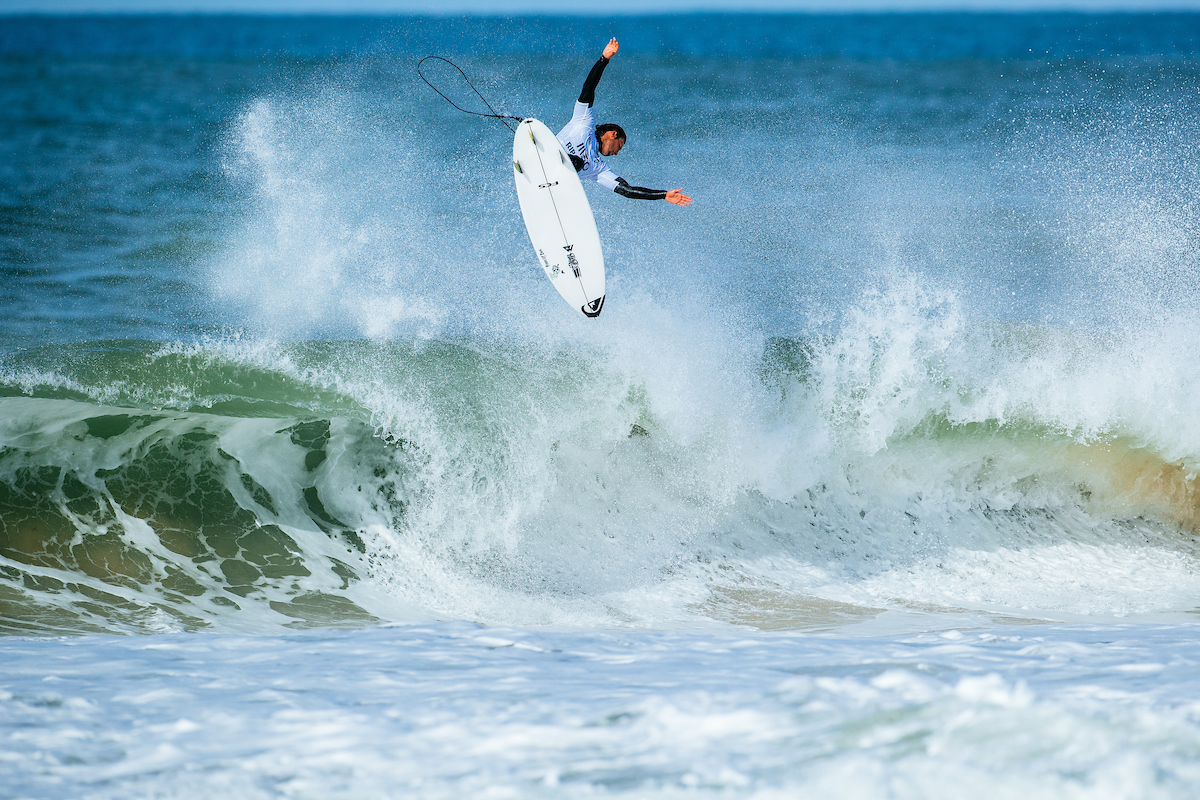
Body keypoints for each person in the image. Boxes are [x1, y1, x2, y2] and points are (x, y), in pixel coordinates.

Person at [556, 38, 692, 207]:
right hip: (549, 156)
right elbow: (588, 89)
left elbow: (627, 190)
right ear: (613, 134)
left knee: (578, 164)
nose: (617, 153)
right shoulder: (583, 121)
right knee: (577, 162)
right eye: (619, 146)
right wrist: (604, 60)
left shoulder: (599, 169)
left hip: (556, 182)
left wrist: (663, 195)